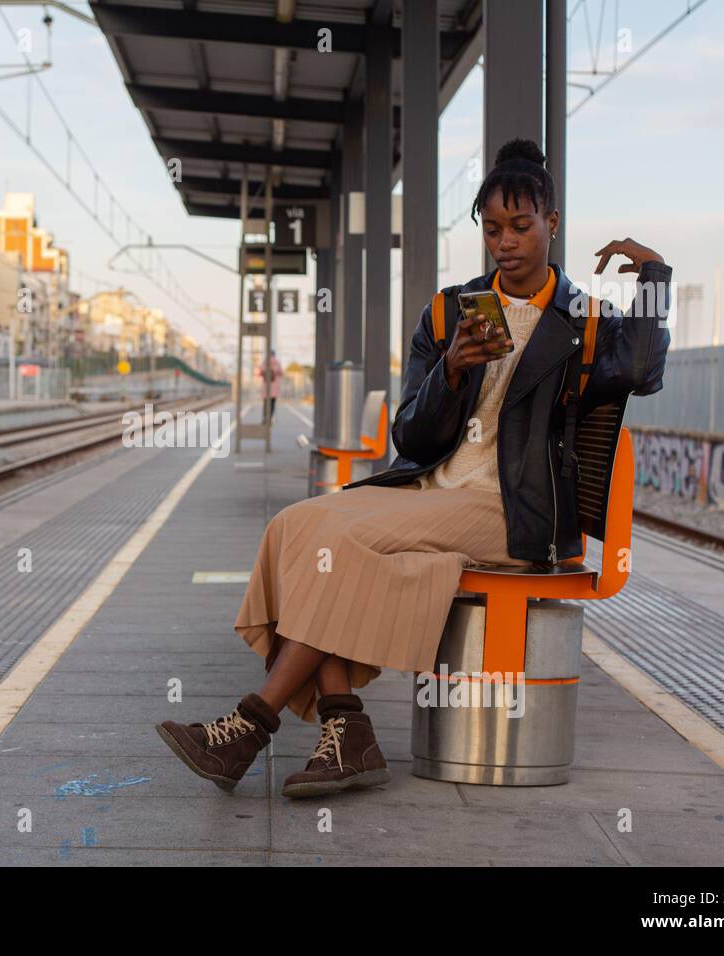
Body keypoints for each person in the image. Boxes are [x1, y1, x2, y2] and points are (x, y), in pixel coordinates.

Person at [156, 138, 672, 798]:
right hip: (433, 487)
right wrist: (452, 370)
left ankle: (249, 726)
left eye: (520, 226)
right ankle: (346, 729)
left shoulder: (584, 322)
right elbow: (413, 436)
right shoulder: (447, 312)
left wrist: (654, 273)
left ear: (552, 224)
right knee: (296, 526)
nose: (505, 243)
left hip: (514, 512)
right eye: (492, 229)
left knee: (335, 541)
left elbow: (641, 370)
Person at [259, 349, 282, 422]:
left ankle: (265, 417)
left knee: (266, 403)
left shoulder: (264, 362)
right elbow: (281, 372)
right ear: (274, 354)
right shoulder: (277, 362)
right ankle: (270, 417)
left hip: (266, 387)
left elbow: (261, 372)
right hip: (274, 387)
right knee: (272, 403)